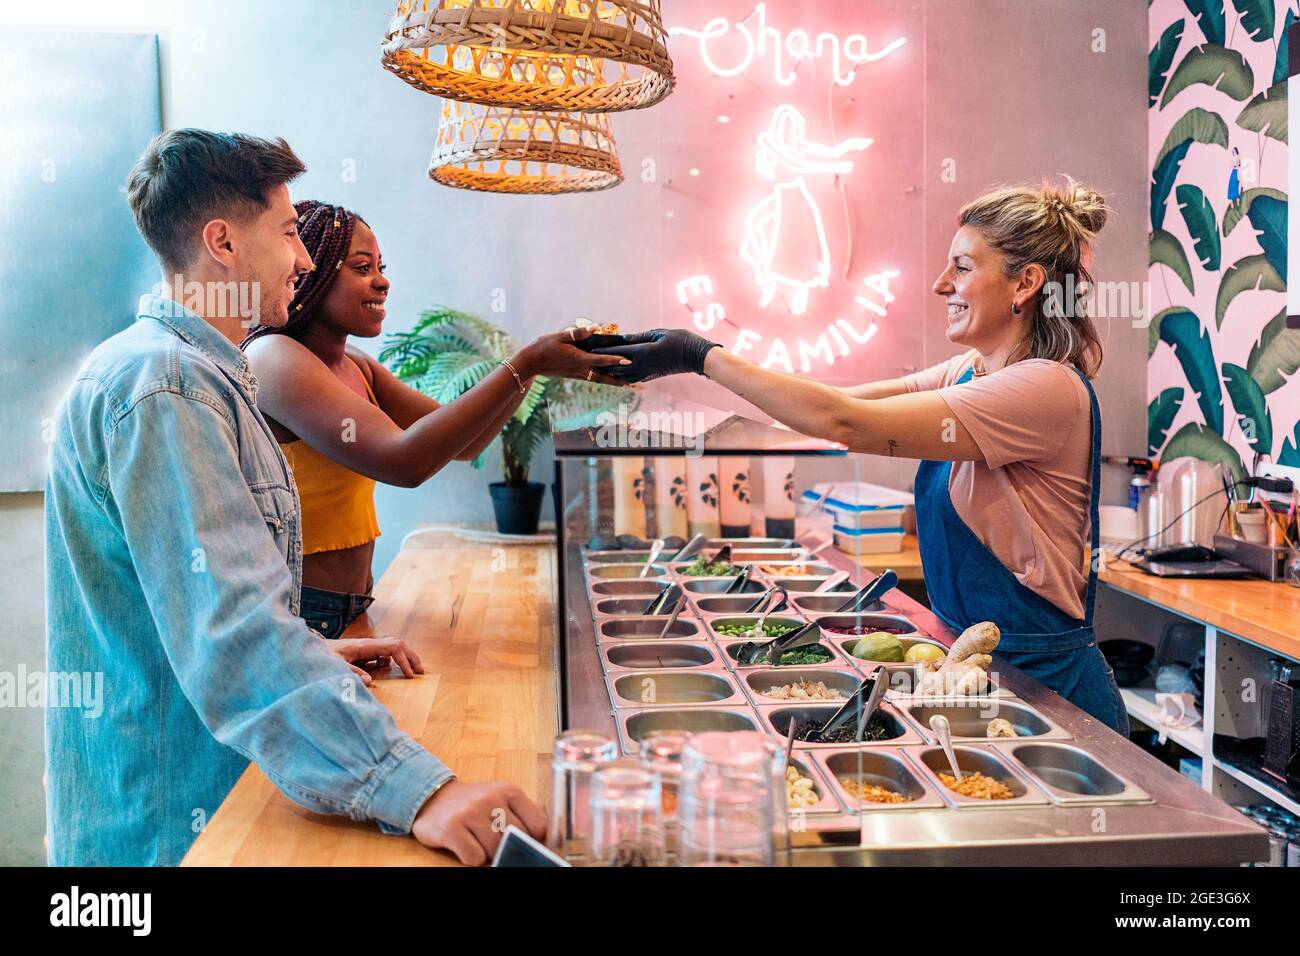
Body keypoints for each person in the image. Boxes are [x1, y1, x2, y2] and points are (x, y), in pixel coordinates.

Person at [45, 129, 545, 866]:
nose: (305, 257)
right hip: (169, 821)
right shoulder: (169, 389)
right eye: (287, 232)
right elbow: (234, 630)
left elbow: (189, 602)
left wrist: (311, 650)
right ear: (222, 242)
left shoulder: (199, 373)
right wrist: (423, 792)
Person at [590, 179, 1130, 734]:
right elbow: (826, 406)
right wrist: (682, 388)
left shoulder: (1045, 389)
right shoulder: (969, 371)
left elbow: (842, 422)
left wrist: (699, 354)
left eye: (962, 267)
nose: (941, 284)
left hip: (1053, 692)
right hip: (978, 675)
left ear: (1026, 283)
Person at [241, 201, 628, 638]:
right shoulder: (272, 357)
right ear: (312, 271)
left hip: (350, 606)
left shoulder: (356, 365)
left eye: (381, 267)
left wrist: (534, 368)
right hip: (305, 614)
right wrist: (524, 360)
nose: (383, 281)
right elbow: (405, 463)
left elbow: (465, 445)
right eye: (362, 267)